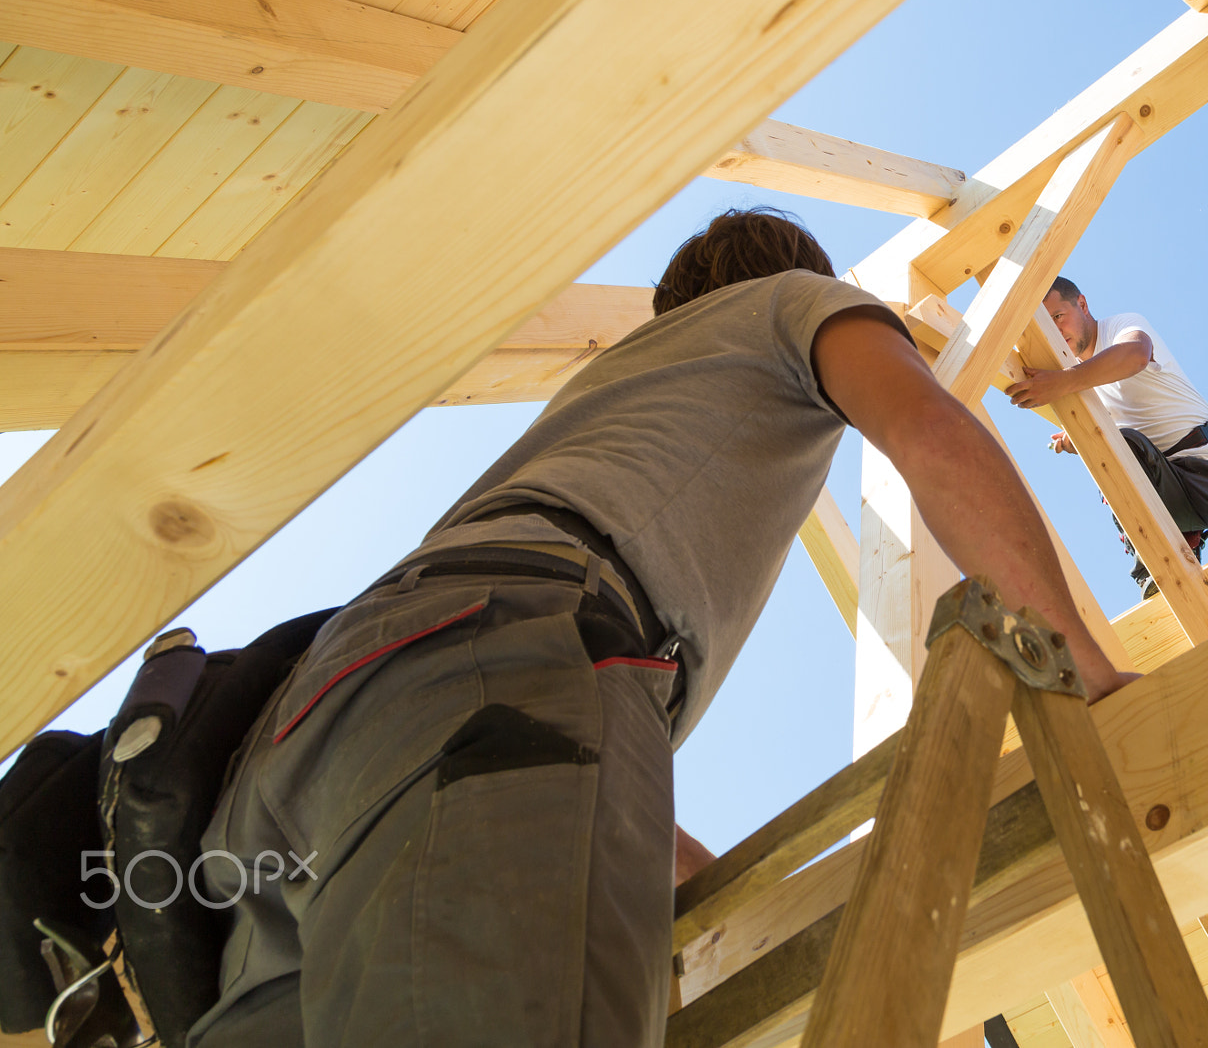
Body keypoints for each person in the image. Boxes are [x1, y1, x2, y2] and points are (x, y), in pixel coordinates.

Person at [185, 209, 1132, 1046]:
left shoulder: (608, 397)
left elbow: (494, 732)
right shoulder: (795, 302)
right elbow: (929, 434)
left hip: (303, 729)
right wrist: (1089, 674)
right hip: (513, 655)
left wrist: (696, 876)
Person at [1003, 277, 1208, 596]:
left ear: (1082, 304)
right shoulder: (1077, 378)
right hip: (1164, 486)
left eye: (1058, 317)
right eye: (1047, 327)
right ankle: (1157, 567)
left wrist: (1064, 381)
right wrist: (1076, 438)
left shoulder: (1121, 328)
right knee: (1117, 445)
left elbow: (1135, 354)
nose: (1057, 331)